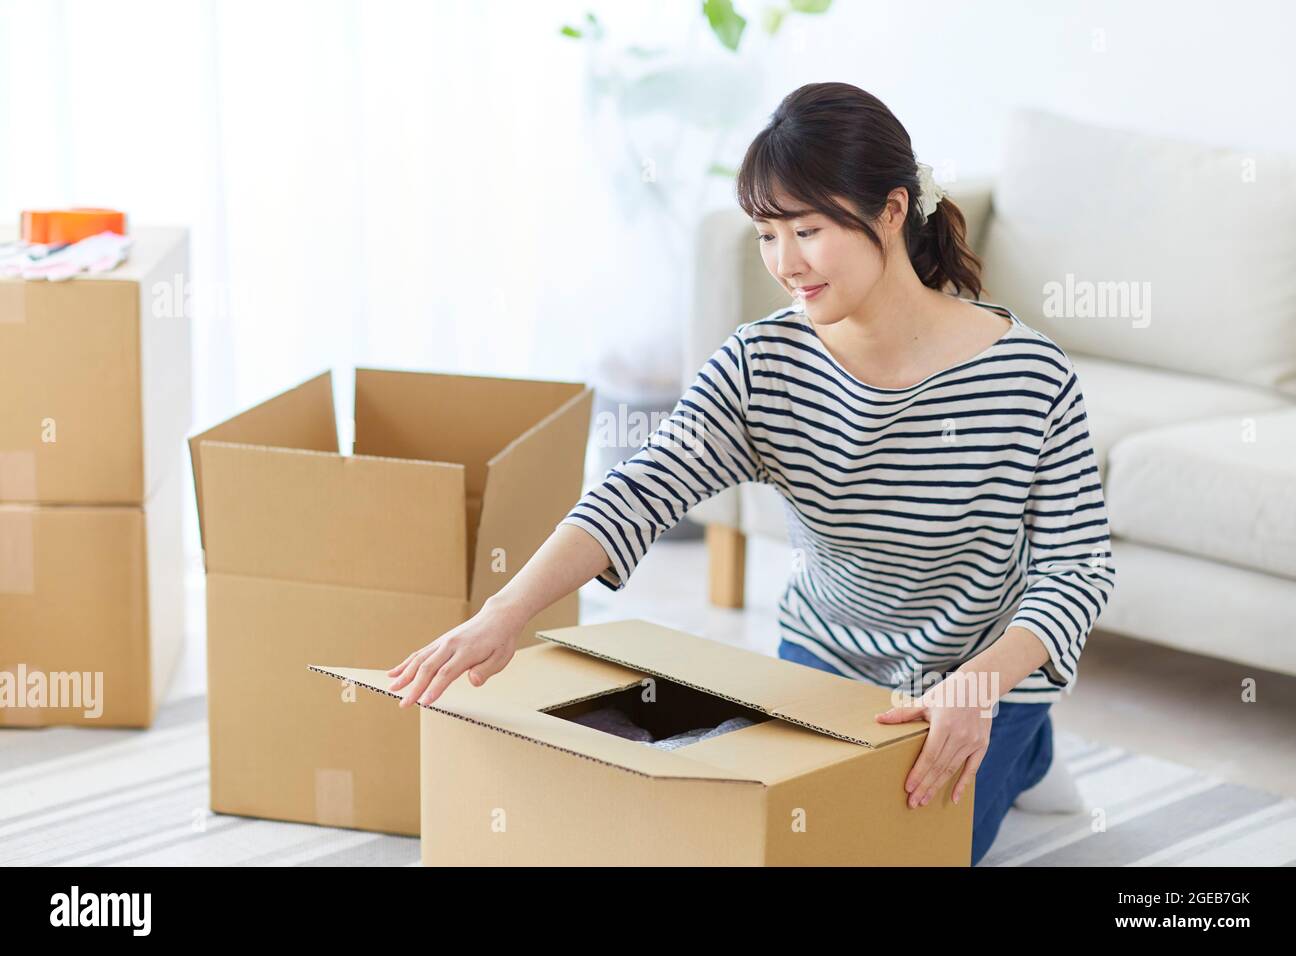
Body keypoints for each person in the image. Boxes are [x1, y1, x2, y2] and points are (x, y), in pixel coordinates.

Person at [387, 82, 1117, 866]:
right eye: (768, 235)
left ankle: (1026, 750)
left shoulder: (1027, 375)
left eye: (806, 229)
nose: (784, 263)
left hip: (976, 677)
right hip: (827, 659)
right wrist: (502, 613)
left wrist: (979, 691)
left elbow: (1077, 568)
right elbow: (641, 488)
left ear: (894, 211)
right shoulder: (763, 363)